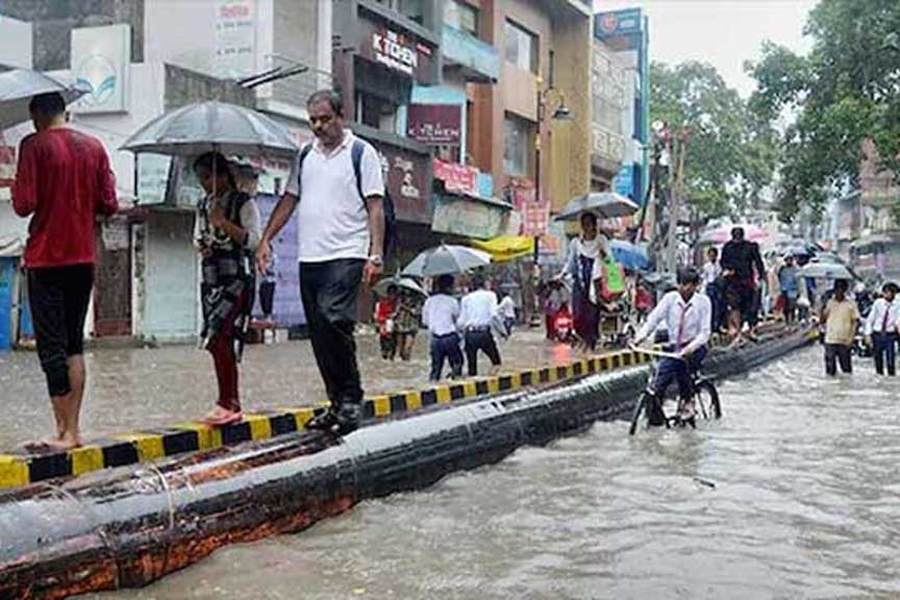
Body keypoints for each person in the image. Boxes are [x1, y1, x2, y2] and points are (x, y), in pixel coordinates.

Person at [256, 89, 385, 435]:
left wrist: (376, 254)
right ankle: (335, 402)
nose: (318, 126)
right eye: (313, 120)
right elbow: (289, 200)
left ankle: (352, 398)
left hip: (347, 252)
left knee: (334, 318)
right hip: (310, 256)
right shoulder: (305, 156)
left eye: (325, 119)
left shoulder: (361, 153)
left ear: (341, 116)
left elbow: (375, 206)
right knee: (318, 332)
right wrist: (266, 238)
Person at [12, 92, 118, 449]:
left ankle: (62, 431)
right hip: (82, 259)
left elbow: (24, 205)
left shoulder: (34, 145)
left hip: (45, 258)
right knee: (74, 344)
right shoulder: (95, 146)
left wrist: (18, 178)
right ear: (65, 112)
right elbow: (109, 204)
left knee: (51, 347)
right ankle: (73, 431)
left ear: (36, 115)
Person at [194, 152, 261, 425]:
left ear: (223, 175)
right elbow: (197, 238)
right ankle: (225, 400)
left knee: (220, 336)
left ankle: (230, 403)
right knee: (213, 341)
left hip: (237, 279)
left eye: (209, 176)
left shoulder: (244, 203)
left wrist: (223, 223)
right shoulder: (202, 205)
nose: (205, 183)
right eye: (201, 178)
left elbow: (253, 241)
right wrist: (204, 244)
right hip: (211, 279)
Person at [631, 267, 712, 422]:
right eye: (682, 284)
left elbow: (705, 333)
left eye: (690, 285)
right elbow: (653, 320)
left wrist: (690, 348)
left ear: (696, 286)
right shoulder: (670, 299)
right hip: (674, 347)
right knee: (659, 383)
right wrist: (639, 338)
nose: (685, 288)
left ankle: (688, 401)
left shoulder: (703, 302)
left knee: (683, 364)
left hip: (694, 347)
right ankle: (654, 420)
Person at [560, 212, 608, 351]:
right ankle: (583, 339)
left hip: (595, 283)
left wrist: (604, 254)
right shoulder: (576, 243)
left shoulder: (601, 241)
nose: (586, 227)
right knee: (578, 315)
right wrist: (562, 274)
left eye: (588, 223)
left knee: (592, 316)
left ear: (594, 225)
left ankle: (591, 343)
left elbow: (610, 261)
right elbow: (571, 263)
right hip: (580, 283)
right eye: (583, 224)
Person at [720, 227, 766, 342]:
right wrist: (727, 269)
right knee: (735, 306)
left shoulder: (751, 247)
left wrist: (761, 277)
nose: (737, 239)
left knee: (750, 307)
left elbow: (758, 262)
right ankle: (738, 332)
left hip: (747, 281)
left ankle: (751, 330)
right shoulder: (727, 247)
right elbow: (723, 262)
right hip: (732, 281)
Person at [459, 274, 502, 376]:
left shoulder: (466, 298)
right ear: (485, 284)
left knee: (471, 367)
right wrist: (502, 331)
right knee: (496, 362)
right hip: (484, 333)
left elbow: (461, 322)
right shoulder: (491, 295)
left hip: (470, 334)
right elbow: (494, 315)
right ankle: (490, 380)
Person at [422, 274, 463, 381]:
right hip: (450, 337)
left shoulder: (429, 301)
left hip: (435, 339)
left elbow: (425, 321)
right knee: (457, 363)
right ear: (449, 287)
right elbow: (458, 320)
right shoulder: (452, 301)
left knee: (435, 368)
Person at [821, 279, 860, 376]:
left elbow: (855, 322)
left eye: (841, 289)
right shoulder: (829, 303)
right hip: (830, 339)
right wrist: (823, 307)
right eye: (837, 289)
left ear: (845, 290)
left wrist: (851, 338)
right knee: (830, 369)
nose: (839, 292)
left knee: (846, 369)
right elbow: (822, 320)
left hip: (845, 340)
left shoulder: (851, 304)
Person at [864, 282, 899, 376]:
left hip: (890, 335)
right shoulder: (878, 303)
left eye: (892, 292)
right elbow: (870, 319)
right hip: (877, 334)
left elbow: (898, 320)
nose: (889, 294)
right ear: (883, 293)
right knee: (878, 360)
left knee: (891, 360)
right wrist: (867, 334)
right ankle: (879, 377)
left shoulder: (898, 305)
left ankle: (891, 379)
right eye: (887, 292)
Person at [394, 288, 421, 361]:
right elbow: (396, 312)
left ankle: (407, 360)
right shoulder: (399, 299)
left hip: (411, 325)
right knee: (400, 349)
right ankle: (403, 363)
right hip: (401, 324)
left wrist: (405, 307)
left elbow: (416, 312)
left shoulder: (417, 301)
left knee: (407, 347)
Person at [374, 284, 398, 360]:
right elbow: (378, 314)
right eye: (391, 293)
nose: (392, 296)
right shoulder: (383, 303)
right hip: (384, 323)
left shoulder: (398, 303)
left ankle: (391, 354)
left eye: (394, 293)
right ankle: (385, 352)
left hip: (394, 324)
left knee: (393, 340)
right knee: (384, 339)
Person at [778, 254, 801, 325]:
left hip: (793, 290)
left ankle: (792, 319)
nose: (789, 261)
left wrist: (798, 290)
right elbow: (779, 278)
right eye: (787, 260)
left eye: (790, 260)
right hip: (784, 289)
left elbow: (797, 279)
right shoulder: (782, 269)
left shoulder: (795, 269)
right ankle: (787, 320)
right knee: (785, 307)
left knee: (792, 306)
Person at [258, 250, 278, 321]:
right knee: (262, 298)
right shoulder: (261, 257)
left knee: (268, 298)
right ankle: (265, 315)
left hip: (270, 281)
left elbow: (274, 270)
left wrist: (266, 265)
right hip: (262, 281)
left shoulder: (274, 258)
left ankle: (268, 315)